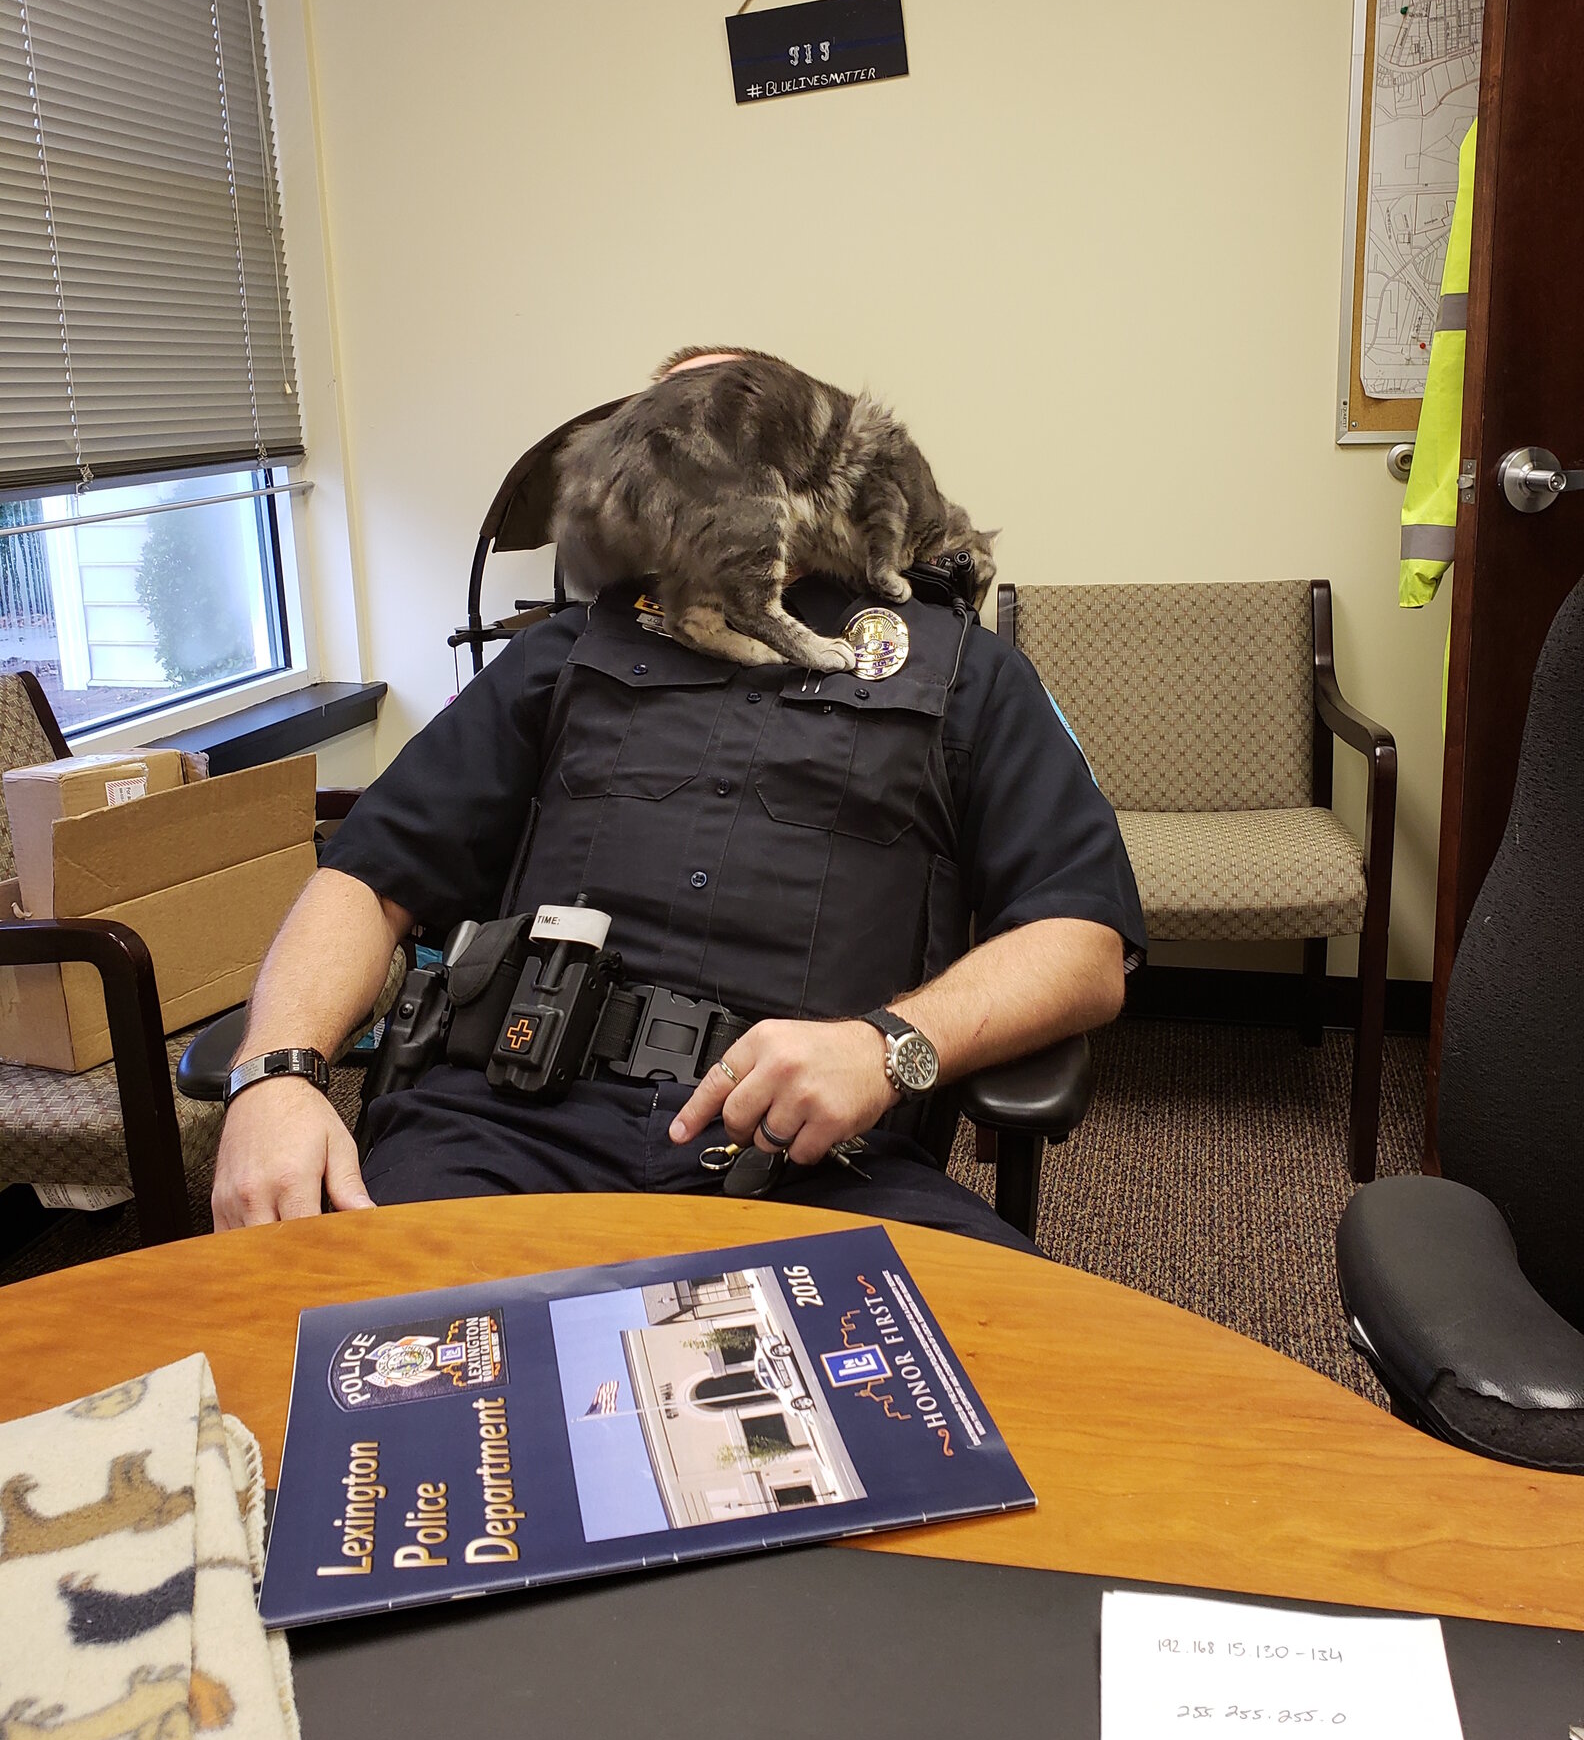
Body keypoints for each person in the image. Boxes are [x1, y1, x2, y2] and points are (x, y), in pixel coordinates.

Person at [211, 360, 1146, 1252]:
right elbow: (369, 876)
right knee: (355, 1376)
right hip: (501, 1136)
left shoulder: (964, 672)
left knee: (1009, 1386)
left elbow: (1085, 940)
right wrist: (276, 1075)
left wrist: (890, 1046)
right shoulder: (563, 654)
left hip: (815, 1163)